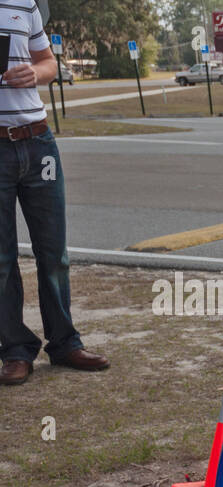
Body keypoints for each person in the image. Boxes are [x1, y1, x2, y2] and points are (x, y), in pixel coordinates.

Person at [1, 0, 109, 386]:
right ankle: (15, 350)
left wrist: (34, 72)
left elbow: (49, 63)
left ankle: (64, 343)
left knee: (54, 252)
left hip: (37, 140)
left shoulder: (23, 3)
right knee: (1, 259)